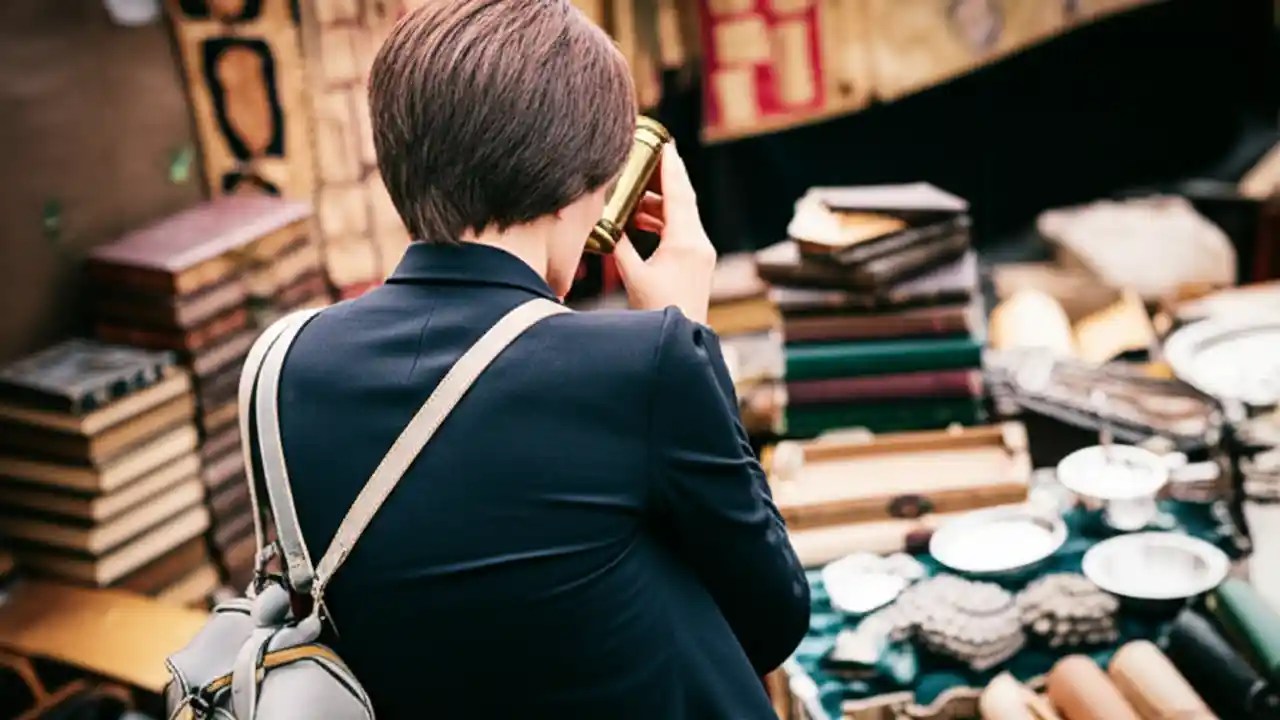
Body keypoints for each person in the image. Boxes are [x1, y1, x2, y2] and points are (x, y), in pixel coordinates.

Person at [270, 1, 810, 717]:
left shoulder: (284, 366)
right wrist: (687, 335)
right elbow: (773, 621)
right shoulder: (646, 363)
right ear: (576, 188)